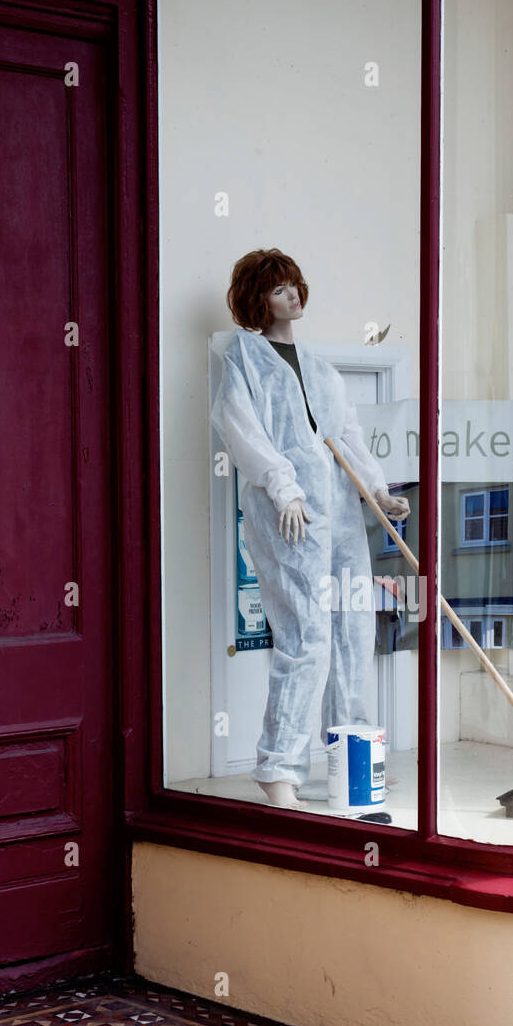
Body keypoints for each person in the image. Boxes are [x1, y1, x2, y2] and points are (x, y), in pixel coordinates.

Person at [211, 248, 410, 809]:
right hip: (290, 518)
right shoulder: (243, 359)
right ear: (257, 298)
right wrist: (283, 487)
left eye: (295, 284)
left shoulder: (321, 371)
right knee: (307, 640)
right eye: (278, 289)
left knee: (352, 634)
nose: (292, 295)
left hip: (342, 517)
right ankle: (278, 768)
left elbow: (346, 439)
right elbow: (241, 430)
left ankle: (353, 758)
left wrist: (377, 492)